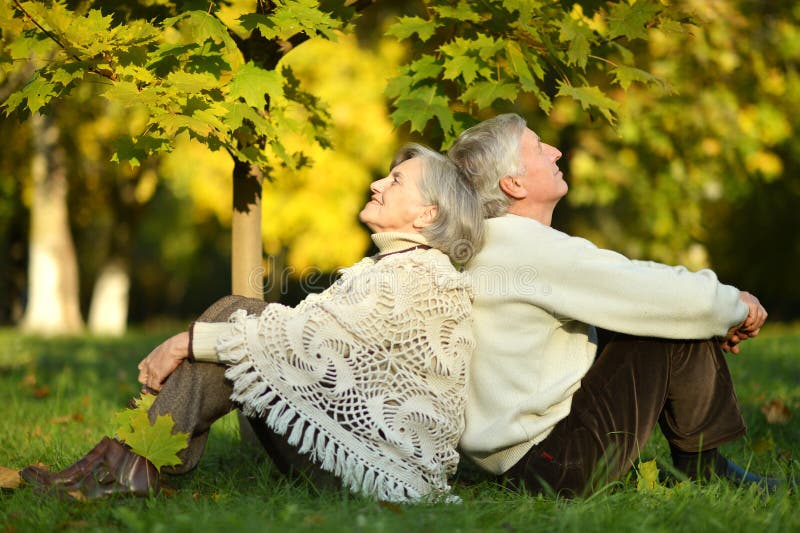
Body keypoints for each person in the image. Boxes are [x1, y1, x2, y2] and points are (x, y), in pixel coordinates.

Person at [21, 143, 484, 503]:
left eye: (396, 180)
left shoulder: (421, 279)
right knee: (242, 317)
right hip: (355, 452)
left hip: (378, 473)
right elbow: (304, 332)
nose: (378, 184)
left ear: (428, 213)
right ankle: (130, 463)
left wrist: (185, 343)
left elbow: (303, 337)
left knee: (242, 322)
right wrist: (199, 340)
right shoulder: (395, 268)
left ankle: (128, 464)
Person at [446, 113, 778, 496]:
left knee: (658, 307)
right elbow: (654, 292)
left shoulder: (486, 246)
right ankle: (704, 467)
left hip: (520, 464)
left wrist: (715, 316)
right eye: (538, 148)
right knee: (666, 310)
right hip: (556, 467)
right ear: (513, 183)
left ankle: (702, 463)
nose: (555, 152)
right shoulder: (533, 251)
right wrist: (736, 307)